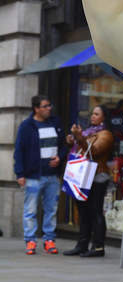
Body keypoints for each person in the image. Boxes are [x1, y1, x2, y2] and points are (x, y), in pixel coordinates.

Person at [13, 95, 66, 255]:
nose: (49, 108)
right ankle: (30, 240)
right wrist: (19, 173)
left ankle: (49, 239)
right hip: (32, 176)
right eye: (45, 106)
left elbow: (63, 145)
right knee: (30, 210)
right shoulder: (26, 126)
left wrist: (60, 157)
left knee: (51, 209)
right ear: (36, 108)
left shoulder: (55, 123)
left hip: (52, 176)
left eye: (50, 105)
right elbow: (19, 151)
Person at [64, 104, 115, 258]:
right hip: (82, 175)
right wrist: (71, 141)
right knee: (83, 211)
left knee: (95, 211)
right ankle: (82, 244)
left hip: (97, 177)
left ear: (104, 117)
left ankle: (98, 246)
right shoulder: (89, 132)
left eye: (97, 114)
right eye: (92, 113)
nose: (93, 116)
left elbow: (94, 151)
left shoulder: (106, 134)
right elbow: (80, 149)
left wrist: (79, 138)